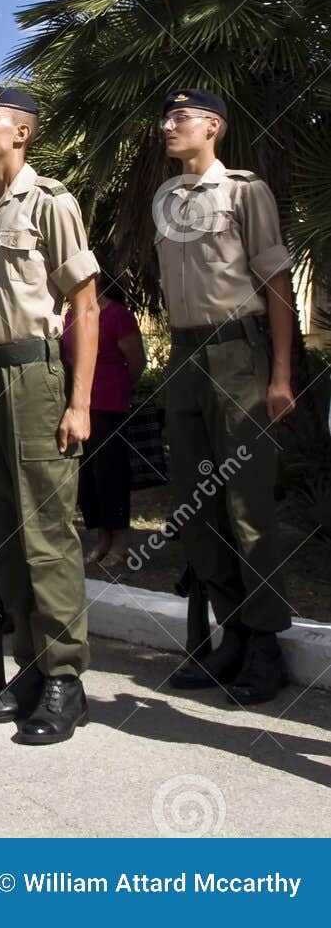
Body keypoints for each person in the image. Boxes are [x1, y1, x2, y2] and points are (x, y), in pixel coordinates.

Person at [0, 84, 99, 745]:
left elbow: (85, 305)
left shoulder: (50, 202)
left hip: (34, 374)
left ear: (21, 132)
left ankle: (66, 678)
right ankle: (33, 667)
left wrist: (79, 402)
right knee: (1, 531)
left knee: (45, 530)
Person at [154, 88, 295, 705]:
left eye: (180, 117)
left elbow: (276, 281)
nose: (168, 125)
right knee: (195, 504)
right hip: (184, 356)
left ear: (213, 126)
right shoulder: (165, 199)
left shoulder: (244, 191)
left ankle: (264, 643)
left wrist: (281, 375)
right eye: (166, 117)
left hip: (239, 354)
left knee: (245, 503)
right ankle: (231, 631)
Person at [63, 263, 145, 576]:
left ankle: (120, 541)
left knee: (111, 472)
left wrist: (123, 386)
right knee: (88, 476)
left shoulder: (118, 315)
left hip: (109, 403)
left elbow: (136, 361)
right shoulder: (70, 316)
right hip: (78, 405)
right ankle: (101, 538)